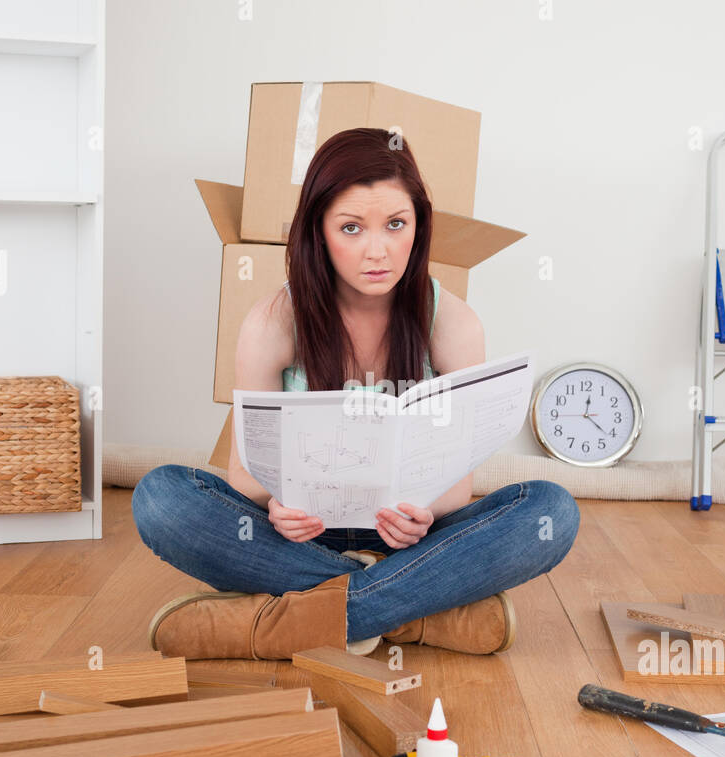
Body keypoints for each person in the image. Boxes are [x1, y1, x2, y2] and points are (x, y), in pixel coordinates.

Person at [133, 127, 579, 660]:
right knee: (160, 499)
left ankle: (290, 619)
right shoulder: (272, 322)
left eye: (396, 224)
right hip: (298, 540)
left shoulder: (454, 322)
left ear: (418, 224)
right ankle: (409, 611)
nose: (378, 251)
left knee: (551, 511)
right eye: (351, 228)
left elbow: (458, 485)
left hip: (411, 540)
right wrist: (277, 507)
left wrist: (423, 512)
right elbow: (245, 477)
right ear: (318, 232)